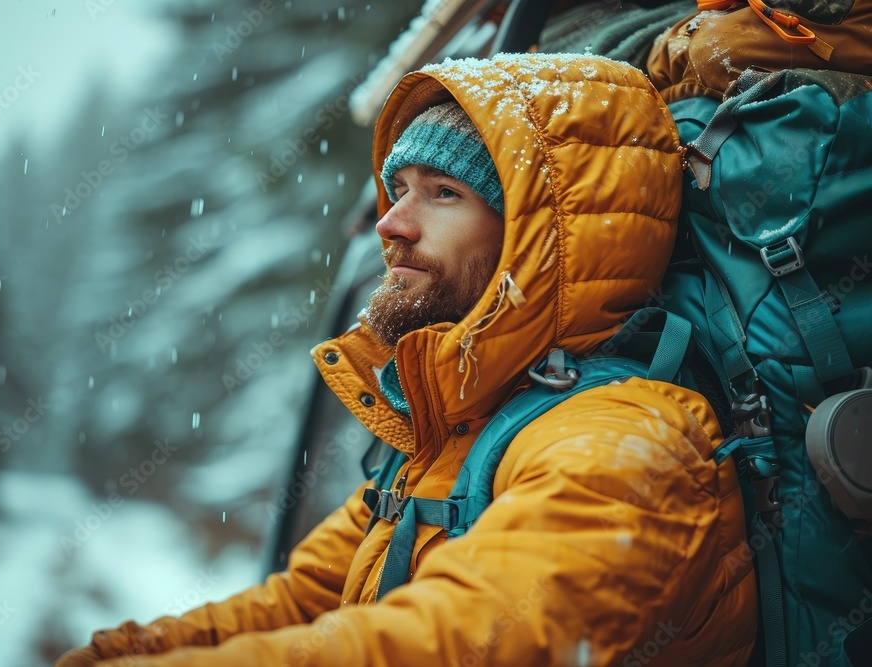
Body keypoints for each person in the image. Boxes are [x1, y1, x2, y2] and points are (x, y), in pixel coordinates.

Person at [56, 53, 757, 667]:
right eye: (400, 190)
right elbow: (304, 606)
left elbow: (450, 639)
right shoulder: (454, 434)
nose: (392, 224)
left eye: (444, 193)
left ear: (536, 239)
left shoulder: (628, 446)